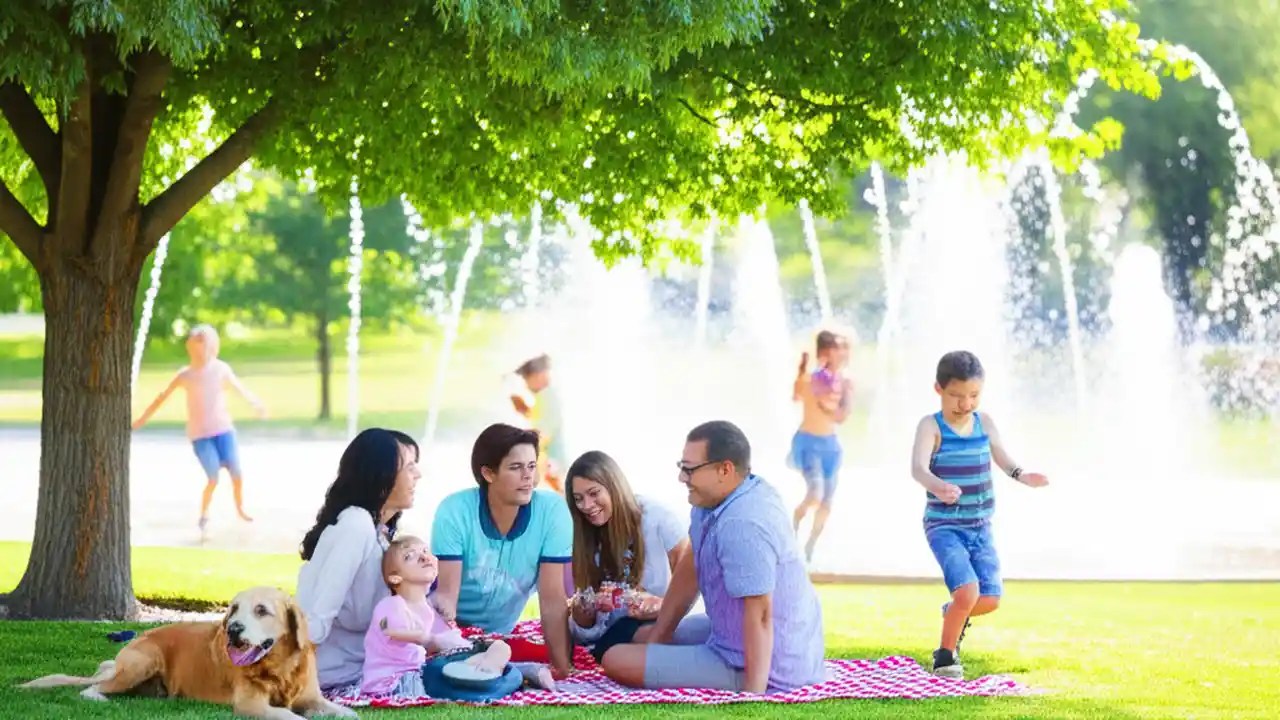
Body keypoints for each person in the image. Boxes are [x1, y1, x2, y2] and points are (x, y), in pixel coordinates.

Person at [600, 421, 825, 694]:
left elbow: (762, 613)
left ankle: (749, 681)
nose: (682, 478)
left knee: (615, 659)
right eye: (681, 467)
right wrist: (660, 635)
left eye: (690, 469)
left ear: (725, 470)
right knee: (640, 635)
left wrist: (754, 695)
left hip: (766, 662)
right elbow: (690, 569)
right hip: (734, 634)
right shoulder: (713, 501)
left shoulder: (743, 522)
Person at [910, 351, 1049, 679]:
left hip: (980, 524)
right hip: (944, 525)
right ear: (938, 389)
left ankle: (953, 614)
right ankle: (945, 655)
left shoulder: (984, 423)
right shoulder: (931, 426)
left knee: (989, 599)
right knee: (967, 592)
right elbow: (917, 468)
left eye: (973, 395)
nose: (965, 404)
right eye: (957, 396)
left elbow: (1001, 456)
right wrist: (938, 485)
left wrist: (1022, 475)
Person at [430, 423, 574, 678]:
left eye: (531, 466)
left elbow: (552, 598)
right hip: (448, 627)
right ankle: (509, 668)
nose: (528, 476)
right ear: (488, 473)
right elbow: (446, 601)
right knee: (440, 668)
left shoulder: (552, 511)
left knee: (504, 653)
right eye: (516, 468)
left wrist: (563, 668)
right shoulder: (454, 511)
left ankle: (498, 664)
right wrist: (451, 647)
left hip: (501, 636)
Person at [296, 428, 421, 689]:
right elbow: (316, 617)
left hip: (372, 667)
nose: (417, 475)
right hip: (335, 675)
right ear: (381, 475)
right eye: (409, 467)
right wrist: (291, 681)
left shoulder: (379, 533)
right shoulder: (356, 525)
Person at [361, 536, 556, 696]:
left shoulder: (426, 609)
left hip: (419, 673)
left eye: (425, 551)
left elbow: (452, 645)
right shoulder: (392, 604)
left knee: (497, 648)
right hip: (395, 682)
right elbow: (389, 629)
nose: (423, 557)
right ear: (395, 577)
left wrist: (457, 640)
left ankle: (497, 674)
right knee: (446, 669)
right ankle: (507, 676)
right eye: (409, 556)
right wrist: (429, 639)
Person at [132, 324, 265, 534]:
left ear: (212, 347)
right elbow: (162, 397)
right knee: (213, 476)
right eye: (196, 346)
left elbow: (240, 389)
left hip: (223, 430)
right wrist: (141, 420)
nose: (200, 350)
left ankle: (240, 508)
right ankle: (204, 513)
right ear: (190, 349)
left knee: (236, 472)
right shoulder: (186, 375)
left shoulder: (221, 369)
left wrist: (255, 403)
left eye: (204, 345)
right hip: (200, 435)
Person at [564, 450, 690, 663]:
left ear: (613, 486)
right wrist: (582, 614)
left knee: (633, 639)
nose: (586, 505)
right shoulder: (583, 534)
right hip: (611, 637)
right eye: (578, 499)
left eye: (594, 493)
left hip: (658, 624)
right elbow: (583, 634)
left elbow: (690, 580)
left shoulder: (657, 517)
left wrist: (661, 605)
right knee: (614, 643)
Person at [789, 330, 853, 563]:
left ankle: (810, 547)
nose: (841, 353)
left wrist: (829, 405)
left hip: (831, 446)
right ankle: (795, 523)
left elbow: (843, 415)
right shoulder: (810, 377)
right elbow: (796, 396)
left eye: (843, 348)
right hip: (809, 442)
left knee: (826, 502)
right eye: (836, 348)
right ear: (824, 352)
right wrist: (802, 369)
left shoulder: (845, 382)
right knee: (814, 493)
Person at [505, 354, 567, 492]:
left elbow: (543, 432)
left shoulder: (547, 397)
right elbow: (545, 422)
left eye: (527, 378)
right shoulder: (546, 396)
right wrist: (525, 410)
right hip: (551, 459)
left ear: (541, 375)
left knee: (557, 489)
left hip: (553, 459)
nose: (526, 385)